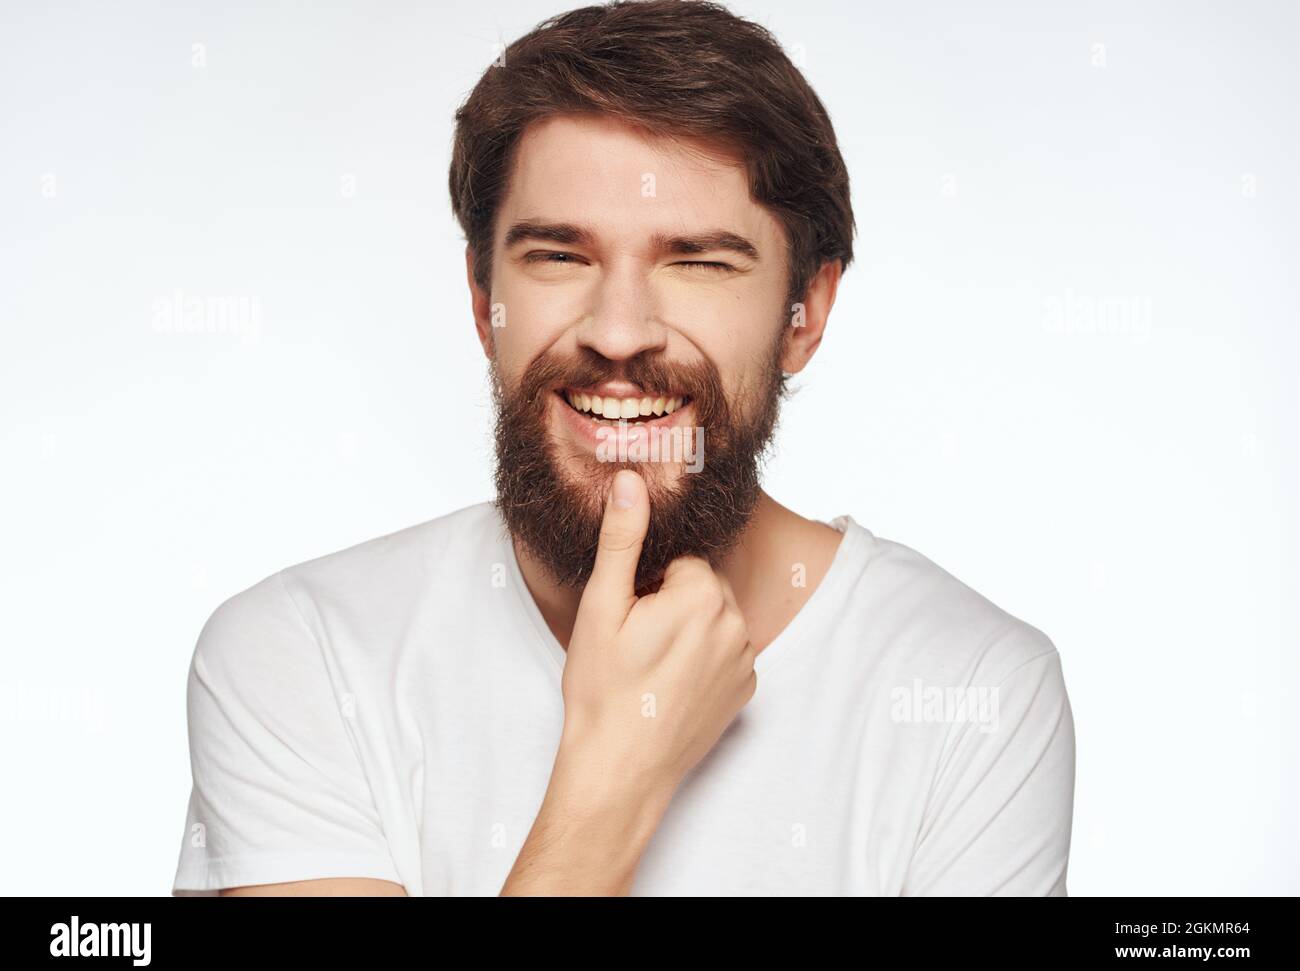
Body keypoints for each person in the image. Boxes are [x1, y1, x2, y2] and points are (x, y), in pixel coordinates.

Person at [172, 0, 1075, 896]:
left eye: (701, 262)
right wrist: (619, 771)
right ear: (483, 298)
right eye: (560, 256)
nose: (617, 332)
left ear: (807, 314)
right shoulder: (304, 656)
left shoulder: (976, 692)